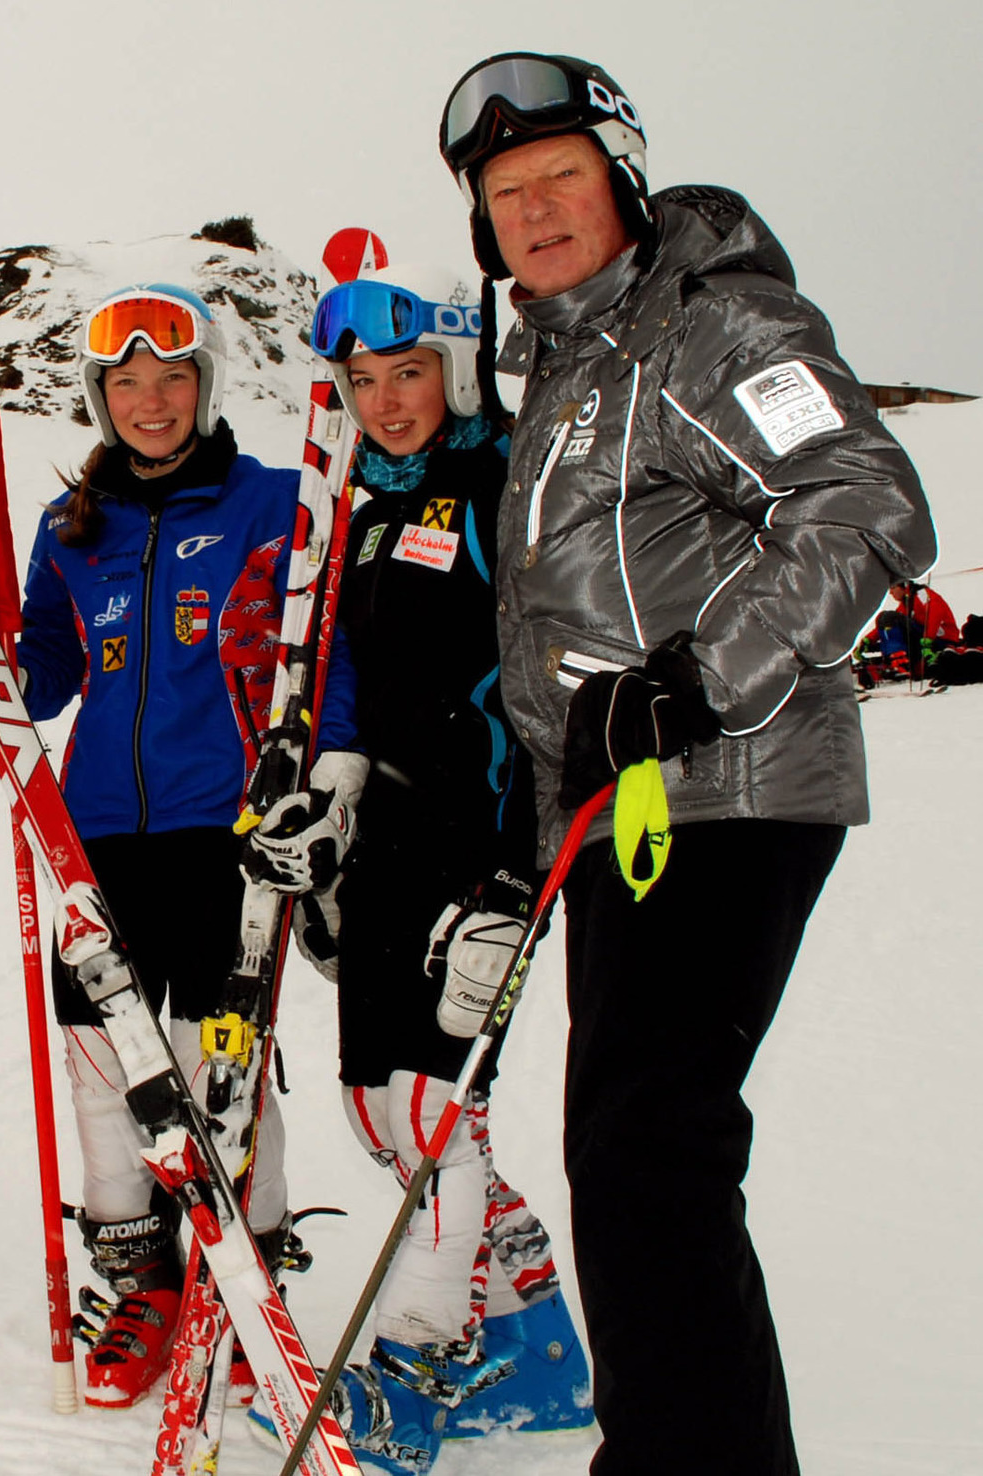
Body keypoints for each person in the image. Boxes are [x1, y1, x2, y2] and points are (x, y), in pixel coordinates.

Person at [436, 53, 936, 1475]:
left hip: (729, 790)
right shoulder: (567, 365)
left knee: (648, 1157)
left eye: (562, 181)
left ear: (623, 183)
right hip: (630, 815)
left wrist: (698, 685)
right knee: (647, 1162)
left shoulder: (707, 326)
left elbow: (867, 504)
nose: (534, 213)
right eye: (506, 193)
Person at [0, 284, 301, 1408]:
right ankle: (136, 1278)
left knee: (215, 1057)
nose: (146, 399)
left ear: (205, 386)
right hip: (93, 837)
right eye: (122, 382)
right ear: (96, 397)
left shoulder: (275, 502)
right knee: (98, 1067)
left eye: (169, 377)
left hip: (222, 829)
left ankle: (244, 1268)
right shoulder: (69, 528)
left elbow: (318, 647)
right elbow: (44, 669)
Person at [247, 268, 590, 1470]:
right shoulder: (366, 501)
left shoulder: (501, 485)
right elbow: (341, 659)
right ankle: (536, 1344)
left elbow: (549, 692)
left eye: (406, 374)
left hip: (481, 841)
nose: (386, 401)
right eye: (361, 381)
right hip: (384, 844)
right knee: (377, 1113)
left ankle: (412, 1362)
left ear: (452, 366)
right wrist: (334, 788)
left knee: (434, 1119)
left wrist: (519, 880)